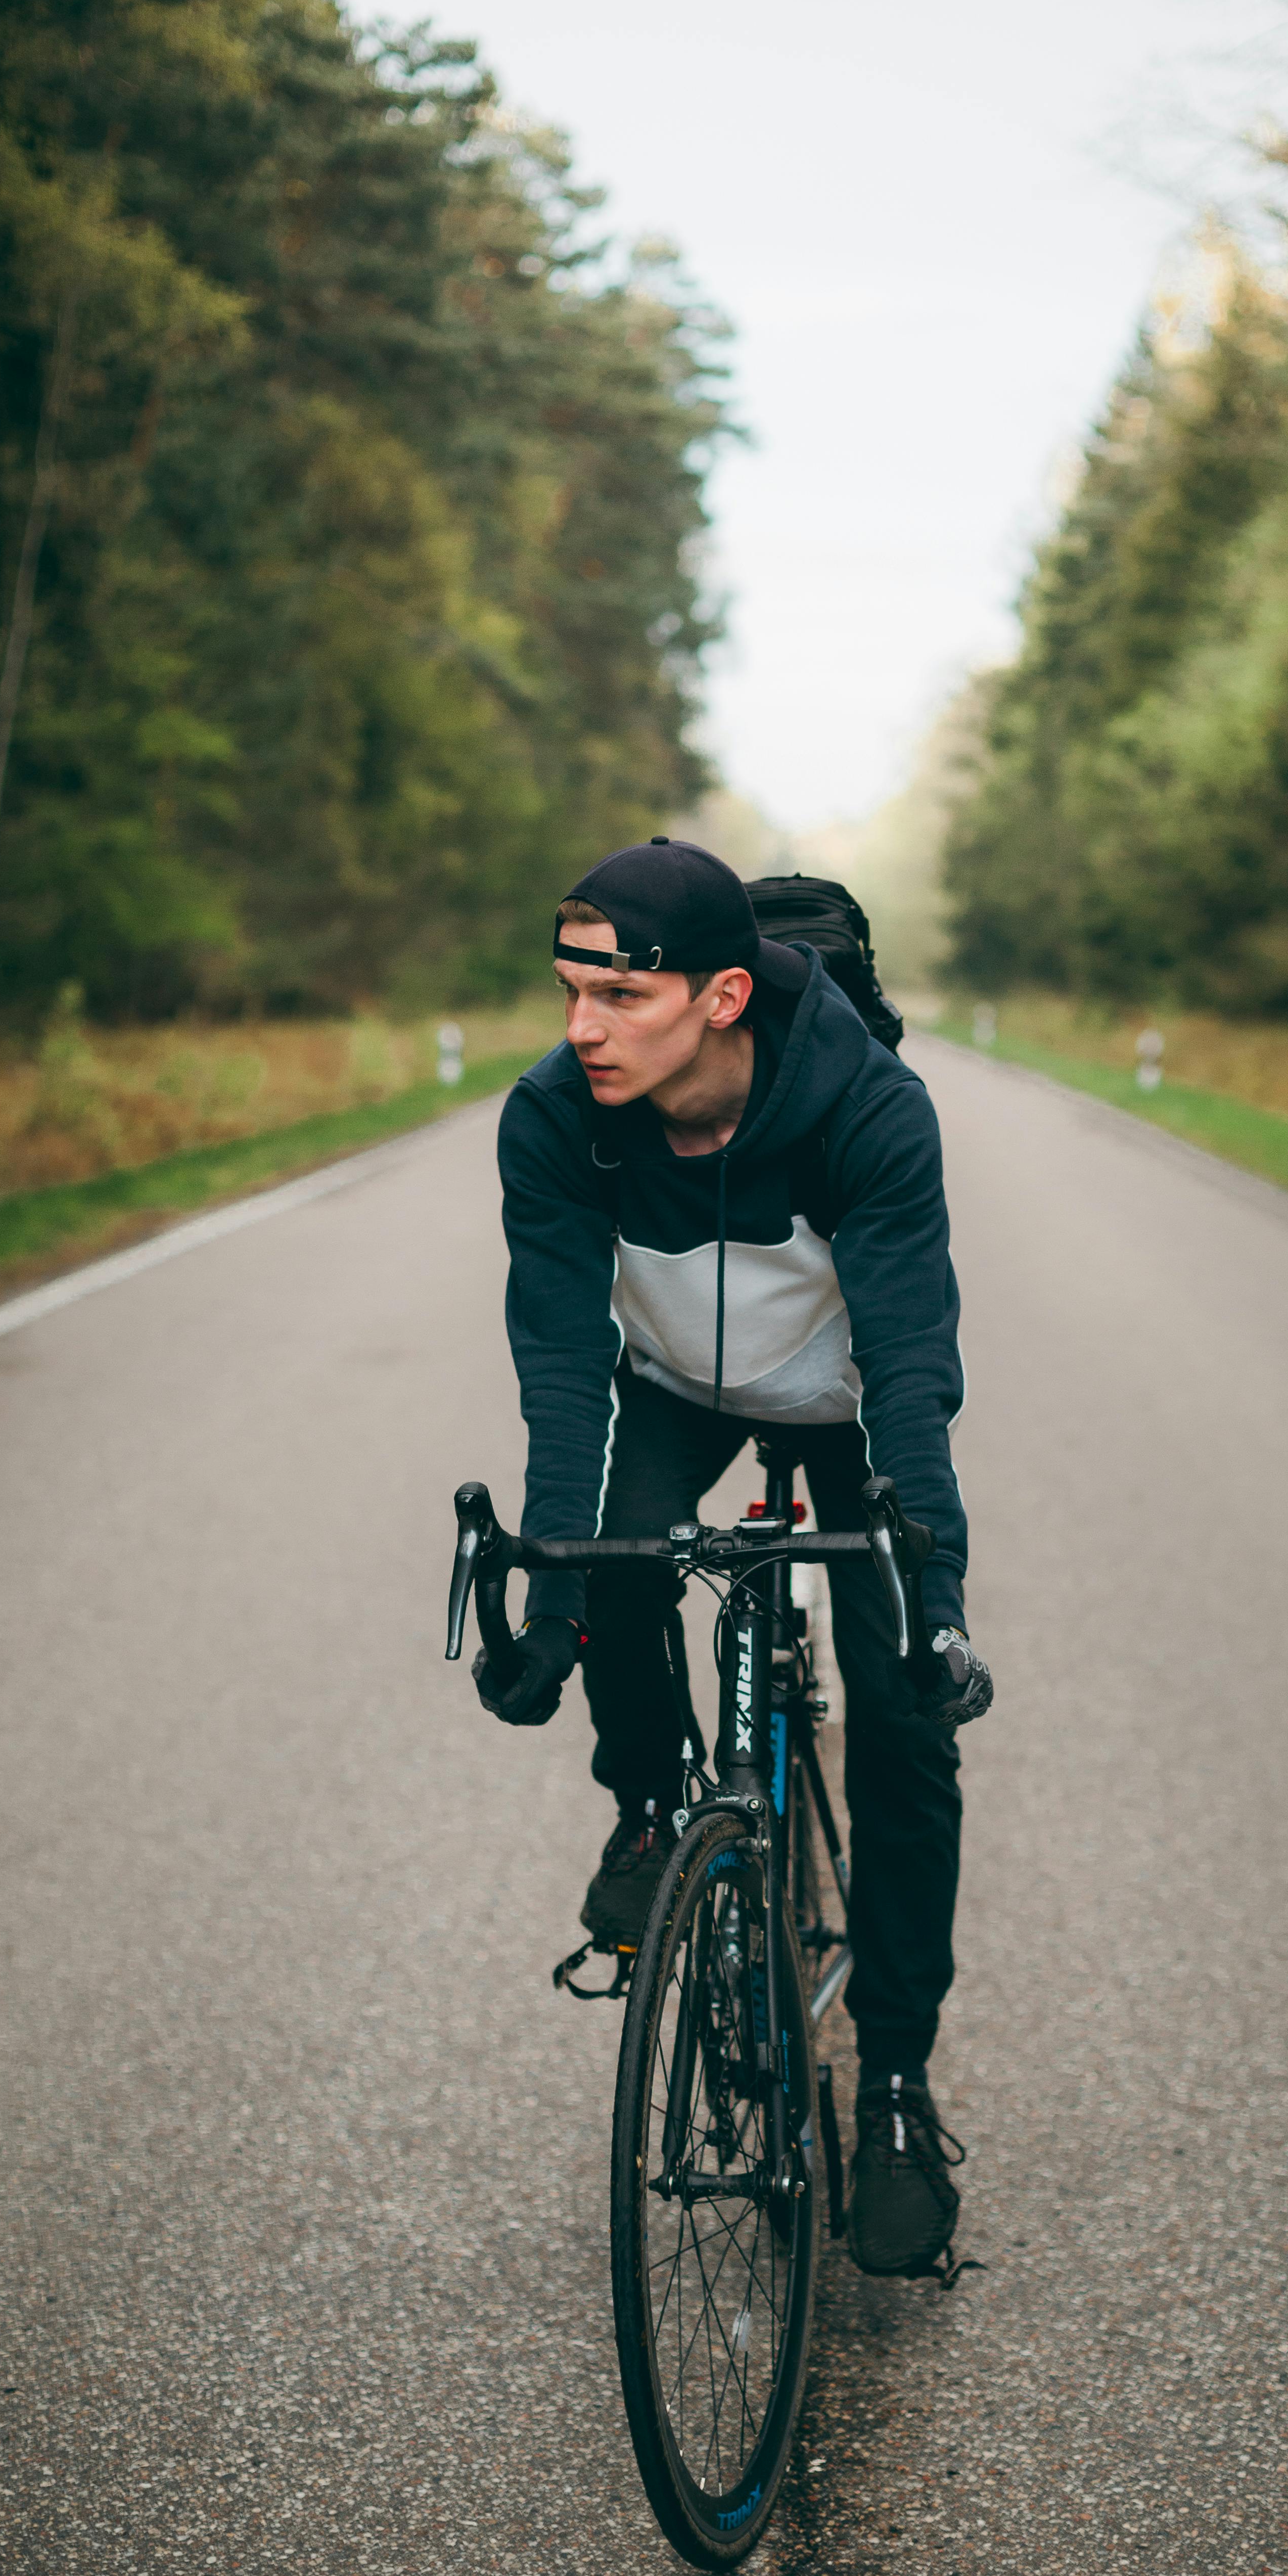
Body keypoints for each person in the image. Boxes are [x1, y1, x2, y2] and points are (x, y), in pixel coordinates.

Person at [480, 837, 993, 2278]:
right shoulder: (555, 1118)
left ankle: (890, 2086)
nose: (580, 1027)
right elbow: (561, 1365)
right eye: (568, 989)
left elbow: (907, 1366)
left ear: (719, 998)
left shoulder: (866, 1112)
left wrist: (932, 1601)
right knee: (614, 1561)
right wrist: (553, 1587)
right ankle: (652, 1814)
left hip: (843, 1405)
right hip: (671, 1389)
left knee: (899, 1725)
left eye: (619, 994)